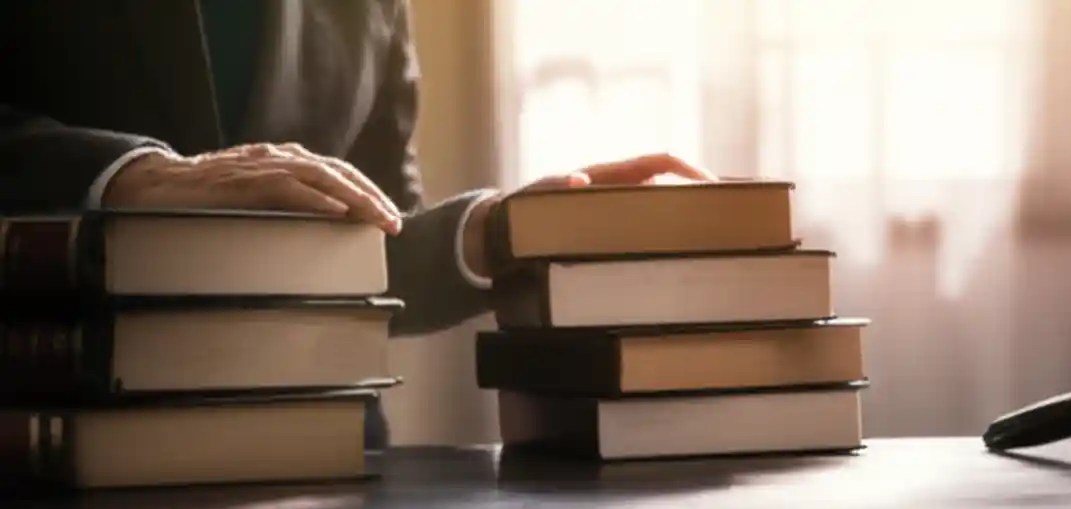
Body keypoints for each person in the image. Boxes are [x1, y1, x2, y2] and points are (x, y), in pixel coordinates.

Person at [0, 0, 713, 445]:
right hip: (55, 467)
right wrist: (129, 174)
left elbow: (374, 242)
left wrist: (496, 232)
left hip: (321, 475)